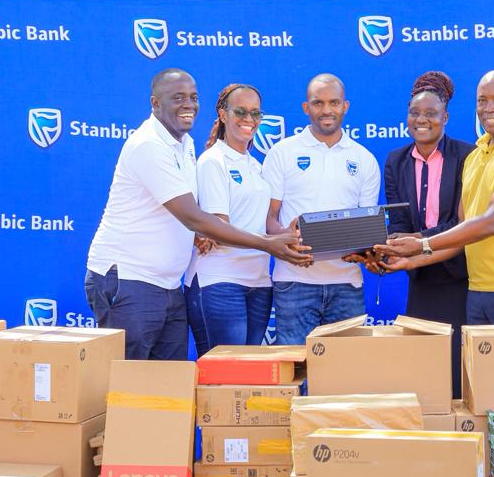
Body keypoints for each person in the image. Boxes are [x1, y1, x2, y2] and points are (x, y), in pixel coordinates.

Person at [85, 69, 310, 360]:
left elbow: (193, 220)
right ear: (155, 102)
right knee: (129, 384)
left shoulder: (185, 144)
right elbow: (193, 217)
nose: (189, 104)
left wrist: (281, 234)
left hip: (167, 284)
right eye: (178, 98)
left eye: (193, 97)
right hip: (129, 278)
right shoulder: (148, 145)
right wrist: (268, 244)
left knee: (168, 386)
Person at [378, 69, 494, 325]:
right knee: (476, 367)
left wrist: (420, 245)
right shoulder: (477, 155)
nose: (489, 108)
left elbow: (492, 221)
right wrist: (411, 261)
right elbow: (463, 234)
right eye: (482, 100)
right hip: (478, 290)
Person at [263, 73, 380, 345]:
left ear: (345, 106)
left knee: (347, 371)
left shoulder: (364, 159)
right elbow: (268, 218)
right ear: (306, 108)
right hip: (294, 282)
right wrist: (285, 239)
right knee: (296, 369)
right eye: (318, 103)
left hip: (347, 284)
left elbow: (366, 225)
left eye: (334, 103)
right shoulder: (282, 152)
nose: (326, 110)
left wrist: (365, 251)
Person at [382, 71, 474, 397]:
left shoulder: (468, 157)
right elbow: (399, 223)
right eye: (415, 113)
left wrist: (415, 245)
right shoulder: (395, 161)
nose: (421, 120)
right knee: (424, 372)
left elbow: (463, 226)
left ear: (445, 117)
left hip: (459, 280)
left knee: (459, 373)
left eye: (431, 114)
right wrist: (389, 249)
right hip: (420, 283)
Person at [184, 83, 274, 355]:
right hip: (219, 280)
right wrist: (273, 243)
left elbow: (260, 222)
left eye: (256, 114)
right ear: (223, 114)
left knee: (244, 378)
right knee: (223, 378)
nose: (249, 120)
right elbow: (218, 231)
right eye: (241, 112)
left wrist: (287, 235)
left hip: (258, 281)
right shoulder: (213, 161)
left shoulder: (257, 166)